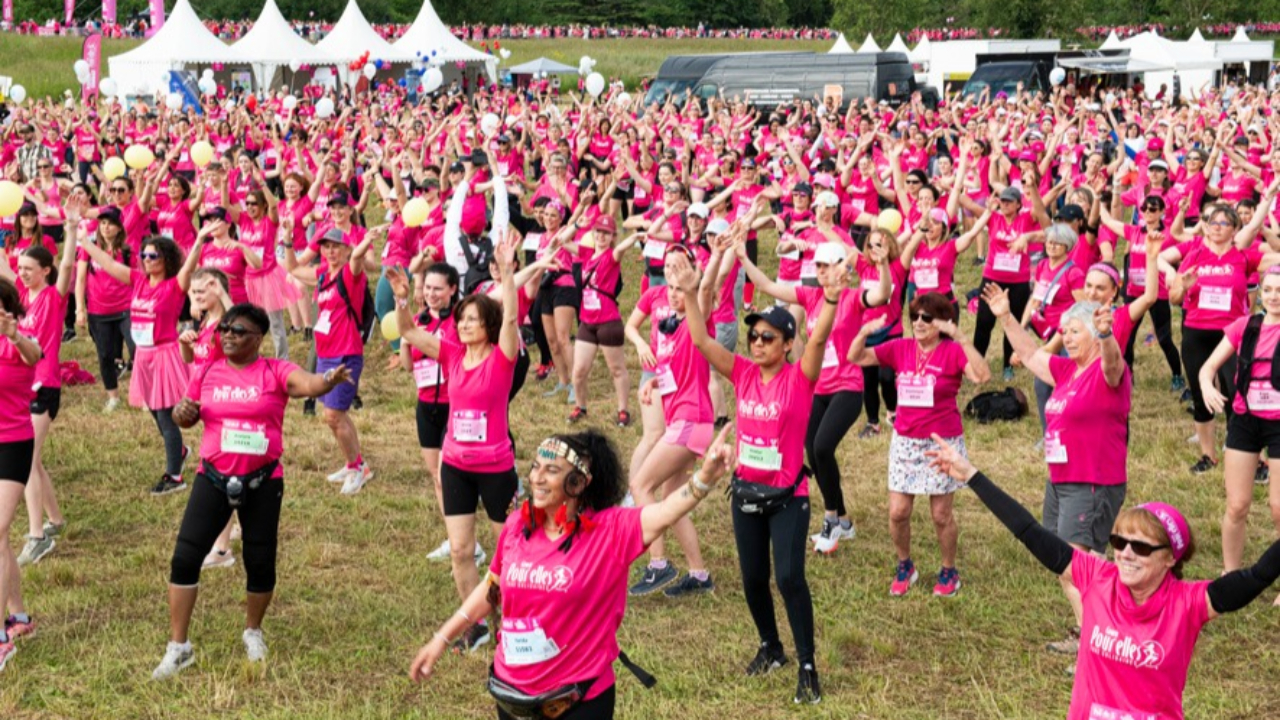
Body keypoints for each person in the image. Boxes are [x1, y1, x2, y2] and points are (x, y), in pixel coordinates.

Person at [928, 435, 1280, 720]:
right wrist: (972, 475)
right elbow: (1028, 531)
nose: (1125, 553)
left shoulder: (1187, 603)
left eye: (1141, 548)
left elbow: (1257, 576)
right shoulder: (1096, 576)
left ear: (1170, 559)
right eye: (1119, 542)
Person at [408, 426, 737, 719]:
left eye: (551, 470)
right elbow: (493, 588)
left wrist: (703, 479)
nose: (537, 477)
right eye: (536, 466)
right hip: (513, 696)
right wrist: (441, 638)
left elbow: (665, 513)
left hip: (577, 701)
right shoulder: (516, 527)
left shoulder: (610, 531)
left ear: (579, 483)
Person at [151, 303, 353, 680]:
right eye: (224, 329)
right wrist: (182, 414)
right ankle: (179, 647)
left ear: (258, 339)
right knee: (184, 557)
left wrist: (328, 380)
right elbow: (187, 412)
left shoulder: (276, 371)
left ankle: (253, 631)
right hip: (211, 476)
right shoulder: (208, 369)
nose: (227, 335)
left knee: (259, 562)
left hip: (262, 480)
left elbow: (307, 384)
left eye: (237, 331)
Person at [673, 249, 837, 704]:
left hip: (787, 496)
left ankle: (807, 664)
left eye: (768, 336)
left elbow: (819, 341)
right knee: (751, 579)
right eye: (754, 336)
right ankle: (771, 646)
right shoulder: (743, 373)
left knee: (789, 579)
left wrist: (833, 302)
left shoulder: (800, 377)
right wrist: (691, 294)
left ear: (787, 343)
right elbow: (703, 342)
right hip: (745, 493)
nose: (758, 343)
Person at [388, 229, 522, 653]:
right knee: (462, 551)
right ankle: (474, 625)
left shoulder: (502, 359)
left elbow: (514, 319)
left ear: (488, 326)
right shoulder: (450, 352)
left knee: (509, 555)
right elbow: (408, 332)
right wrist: (402, 298)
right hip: (457, 466)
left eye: (472, 320)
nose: (464, 325)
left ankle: (511, 624)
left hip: (497, 468)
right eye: (461, 319)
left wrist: (505, 271)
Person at [984, 287, 1131, 670]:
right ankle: (1095, 630)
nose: (1065, 336)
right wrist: (1005, 317)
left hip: (1092, 482)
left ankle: (1096, 648)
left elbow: (1113, 365)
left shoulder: (1106, 371)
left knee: (1077, 567)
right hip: (1061, 480)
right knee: (1067, 564)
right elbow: (1032, 355)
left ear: (1093, 334)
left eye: (1073, 330)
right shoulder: (1068, 370)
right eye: (1063, 330)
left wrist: (1106, 335)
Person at [734, 239, 891, 553]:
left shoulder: (850, 297)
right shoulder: (810, 296)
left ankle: (831, 518)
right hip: (819, 387)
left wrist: (884, 264)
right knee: (814, 450)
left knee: (822, 447)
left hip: (847, 385)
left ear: (839, 267)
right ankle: (844, 521)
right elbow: (766, 284)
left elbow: (882, 293)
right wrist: (741, 256)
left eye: (825, 265)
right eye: (816, 265)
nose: (819, 271)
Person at [848, 292, 990, 595]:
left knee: (941, 514)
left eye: (928, 318)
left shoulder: (952, 351)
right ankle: (905, 565)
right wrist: (863, 332)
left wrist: (960, 336)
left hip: (941, 442)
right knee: (898, 512)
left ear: (942, 322)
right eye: (915, 317)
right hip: (905, 442)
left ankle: (949, 571)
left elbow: (981, 375)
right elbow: (856, 357)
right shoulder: (901, 348)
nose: (919, 323)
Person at [1158, 193, 1280, 473]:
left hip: (1233, 335)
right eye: (1213, 221)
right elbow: (1175, 298)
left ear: (1235, 229)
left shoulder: (1242, 256)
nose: (1217, 226)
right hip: (1197, 332)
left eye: (1225, 222)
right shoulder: (1194, 254)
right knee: (1201, 397)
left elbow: (1275, 257)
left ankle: (1255, 457)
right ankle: (1207, 455)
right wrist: (1182, 284)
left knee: (1238, 393)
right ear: (1205, 224)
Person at [622, 245, 717, 598]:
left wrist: (710, 266)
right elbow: (680, 370)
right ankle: (700, 574)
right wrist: (654, 383)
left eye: (682, 287)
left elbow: (702, 293)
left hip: (691, 423)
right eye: (671, 287)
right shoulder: (672, 331)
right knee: (671, 502)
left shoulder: (695, 320)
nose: (675, 293)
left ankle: (658, 565)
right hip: (689, 421)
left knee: (640, 486)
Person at [78, 224, 200, 495]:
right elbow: (108, 263)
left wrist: (200, 238)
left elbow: (189, 268)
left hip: (164, 354)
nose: (146, 260)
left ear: (166, 259)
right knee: (156, 414)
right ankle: (178, 452)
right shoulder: (138, 280)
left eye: (152, 256)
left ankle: (174, 477)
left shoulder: (174, 285)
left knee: (167, 417)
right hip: (143, 356)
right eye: (144, 255)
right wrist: (83, 241)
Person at [0, 211, 77, 567]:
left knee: (28, 462)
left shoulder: (52, 297)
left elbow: (66, 266)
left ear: (44, 270)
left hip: (44, 385)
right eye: (21, 268)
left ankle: (36, 536)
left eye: (29, 268)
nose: (23, 272)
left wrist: (73, 229)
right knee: (35, 459)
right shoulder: (22, 302)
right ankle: (56, 518)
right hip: (22, 389)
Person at [282, 220, 377, 495]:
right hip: (326, 354)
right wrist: (288, 241)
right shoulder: (323, 275)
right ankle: (355, 464)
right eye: (326, 246)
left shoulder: (350, 273)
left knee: (333, 414)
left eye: (337, 246)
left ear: (346, 250)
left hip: (346, 353)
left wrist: (364, 241)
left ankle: (357, 467)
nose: (331, 251)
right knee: (335, 415)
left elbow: (358, 258)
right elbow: (294, 268)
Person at [1199, 266, 1280, 581]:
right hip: (1246, 420)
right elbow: (1208, 368)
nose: (1275, 297)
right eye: (1270, 289)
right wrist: (1207, 385)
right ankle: (1230, 574)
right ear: (1260, 292)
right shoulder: (1244, 326)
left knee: (1277, 508)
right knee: (1236, 505)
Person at [0, 277, 42, 672]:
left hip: (11, 442)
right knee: (1, 535)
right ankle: (19, 618)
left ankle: (1, 639)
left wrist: (13, 334)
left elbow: (35, 356)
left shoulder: (17, 341)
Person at [568, 216, 639, 426]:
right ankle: (580, 406)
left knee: (617, 369)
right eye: (598, 232)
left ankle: (623, 410)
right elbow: (560, 242)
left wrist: (635, 235)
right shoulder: (587, 254)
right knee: (579, 370)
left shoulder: (611, 256)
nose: (601, 236)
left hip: (608, 322)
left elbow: (622, 248)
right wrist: (577, 225)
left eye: (606, 233)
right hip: (587, 322)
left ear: (612, 237)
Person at [74, 206, 135, 413]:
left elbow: (137, 279)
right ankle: (113, 397)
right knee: (105, 355)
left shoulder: (128, 250)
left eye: (110, 223)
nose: (106, 227)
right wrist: (80, 309)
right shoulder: (89, 248)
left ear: (119, 228)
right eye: (102, 223)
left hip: (126, 307)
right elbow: (80, 279)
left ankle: (142, 393)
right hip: (99, 311)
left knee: (137, 349)